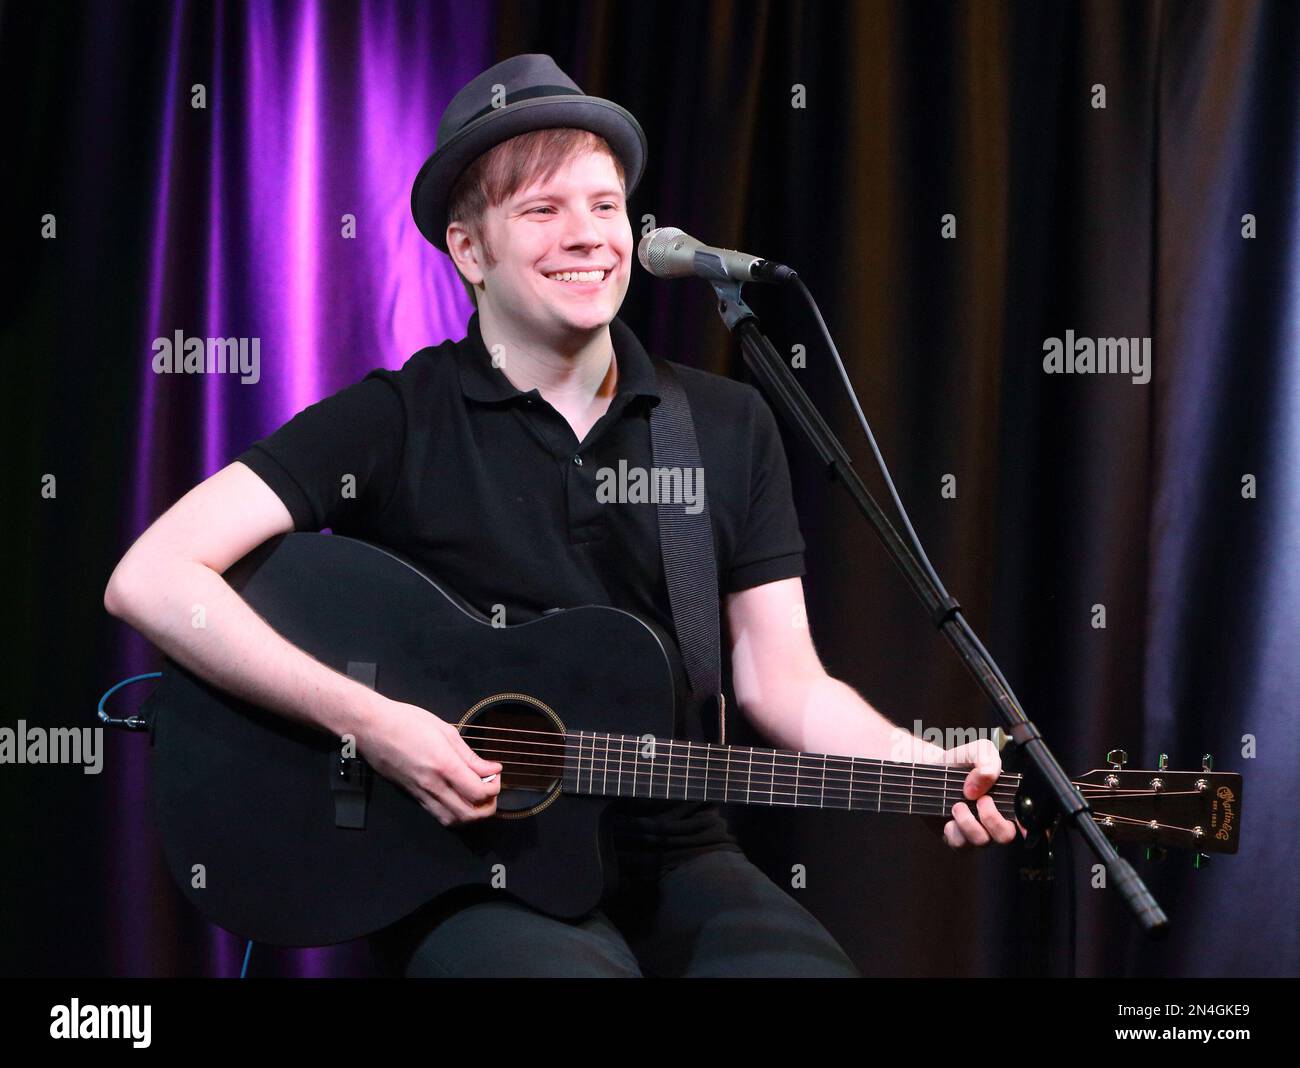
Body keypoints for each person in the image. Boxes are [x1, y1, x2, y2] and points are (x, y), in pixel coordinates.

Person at [104, 54, 1022, 978]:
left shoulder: (723, 422)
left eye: (605, 205)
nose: (588, 237)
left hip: (676, 850)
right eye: (542, 210)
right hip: (466, 863)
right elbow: (152, 577)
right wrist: (373, 723)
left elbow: (782, 682)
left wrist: (917, 764)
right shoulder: (397, 417)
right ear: (470, 251)